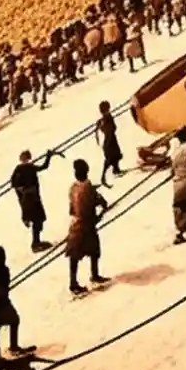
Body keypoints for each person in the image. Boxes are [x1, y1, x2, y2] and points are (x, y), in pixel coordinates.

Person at [65, 159, 110, 295]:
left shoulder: (73, 187)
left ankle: (75, 281)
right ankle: (84, 279)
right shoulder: (87, 188)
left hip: (76, 224)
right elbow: (89, 205)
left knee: (78, 254)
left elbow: (72, 209)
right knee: (90, 251)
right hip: (85, 225)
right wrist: (98, 214)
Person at [0, 246, 34, 354]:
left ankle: (1, 350)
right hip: (0, 305)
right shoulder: (4, 271)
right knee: (12, 321)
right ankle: (12, 347)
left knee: (6, 323)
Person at [10, 150, 53, 252]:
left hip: (28, 200)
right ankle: (35, 243)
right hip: (33, 200)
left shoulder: (19, 169)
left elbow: (13, 184)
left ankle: (36, 241)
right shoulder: (29, 167)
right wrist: (48, 156)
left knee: (37, 220)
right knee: (38, 220)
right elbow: (44, 167)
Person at [94, 101, 124, 186]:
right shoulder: (106, 119)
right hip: (110, 140)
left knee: (115, 156)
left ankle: (116, 170)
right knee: (111, 158)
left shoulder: (105, 119)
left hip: (111, 139)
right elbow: (110, 129)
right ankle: (103, 176)